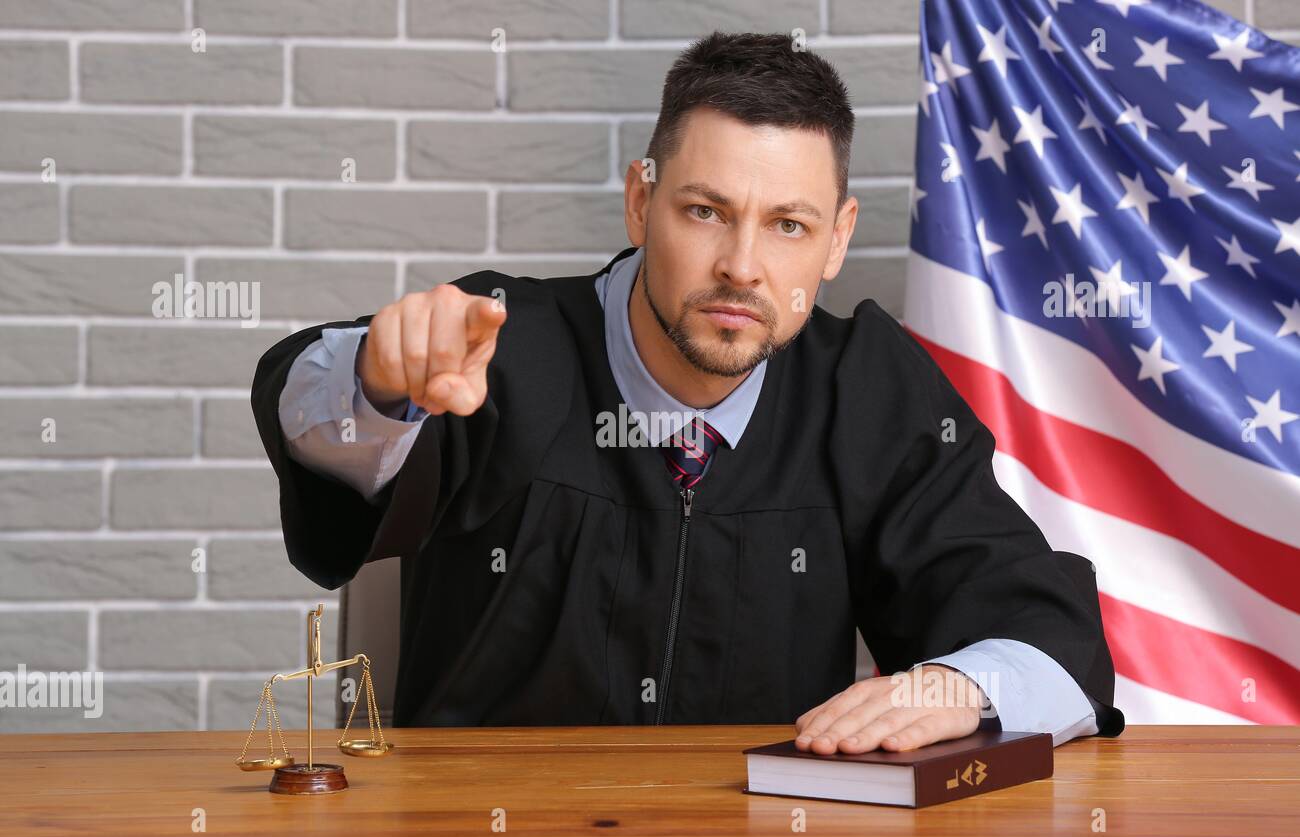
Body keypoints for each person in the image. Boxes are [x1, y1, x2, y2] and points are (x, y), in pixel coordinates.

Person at [251, 31, 1124, 754]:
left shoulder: (865, 393)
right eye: (705, 211)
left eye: (789, 225)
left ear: (836, 240)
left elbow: (1046, 637)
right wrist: (377, 382)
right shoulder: (504, 346)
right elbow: (324, 429)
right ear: (641, 201)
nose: (743, 267)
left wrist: (959, 686)